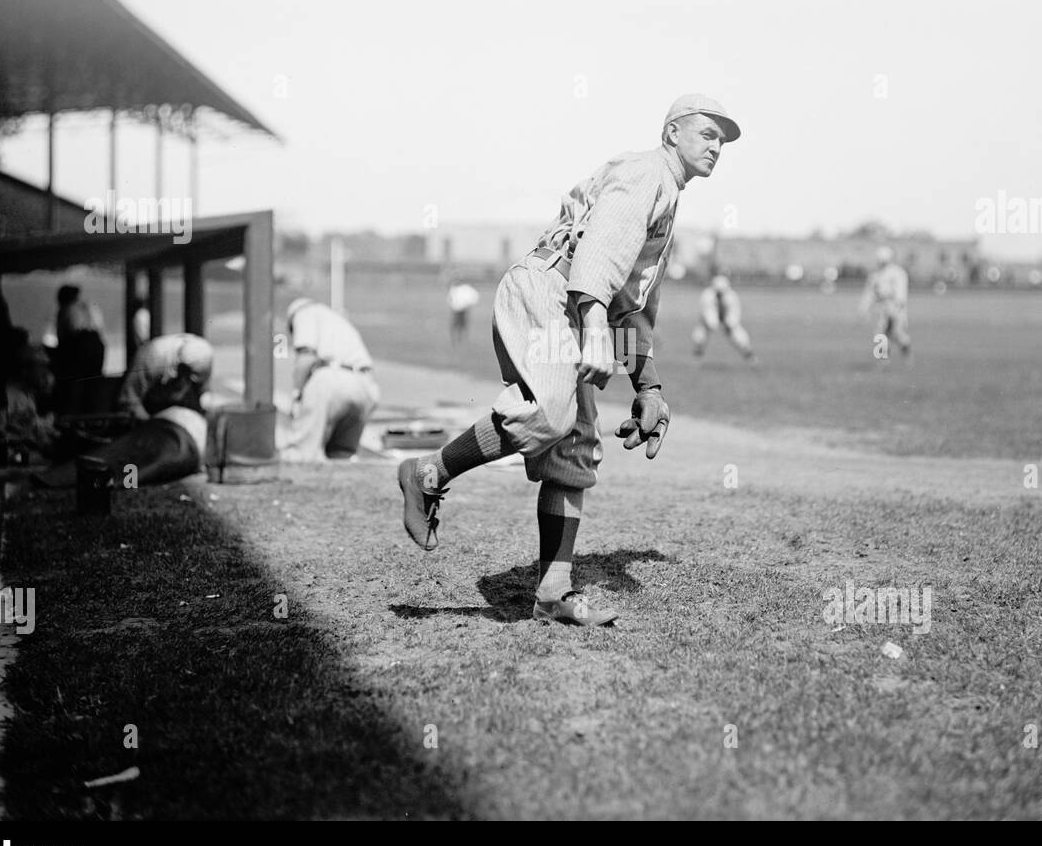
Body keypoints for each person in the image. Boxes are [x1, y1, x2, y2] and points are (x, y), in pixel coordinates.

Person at [397, 93, 741, 626]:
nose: (717, 146)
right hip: (550, 291)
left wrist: (649, 388)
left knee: (574, 448)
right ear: (672, 133)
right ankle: (426, 472)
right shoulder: (646, 173)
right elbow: (599, 255)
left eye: (723, 140)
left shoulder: (668, 197)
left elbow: (635, 306)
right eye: (707, 133)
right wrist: (597, 328)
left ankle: (553, 593)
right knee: (550, 413)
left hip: (576, 306)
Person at [279, 298, 380, 461]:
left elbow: (306, 357)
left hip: (331, 380)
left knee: (301, 453)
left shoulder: (303, 313)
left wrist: (297, 395)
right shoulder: (336, 319)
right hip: (367, 387)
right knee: (341, 454)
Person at [119, 332, 215, 421]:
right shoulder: (152, 357)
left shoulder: (204, 354)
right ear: (180, 366)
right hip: (149, 412)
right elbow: (129, 400)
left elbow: (204, 391)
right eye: (187, 375)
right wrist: (152, 425)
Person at [52, 284, 106, 414]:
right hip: (95, 345)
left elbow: (63, 336)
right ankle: (91, 416)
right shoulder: (89, 307)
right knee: (92, 385)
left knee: (73, 386)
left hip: (77, 346)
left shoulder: (66, 309)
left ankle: (75, 416)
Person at [691, 271, 756, 364]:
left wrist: (729, 323)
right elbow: (707, 314)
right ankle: (697, 359)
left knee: (739, 337)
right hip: (708, 321)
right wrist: (713, 322)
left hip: (726, 319)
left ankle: (751, 358)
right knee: (700, 335)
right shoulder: (707, 296)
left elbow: (734, 313)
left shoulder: (732, 297)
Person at [859, 245, 912, 360]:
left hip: (895, 307)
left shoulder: (897, 273)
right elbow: (870, 292)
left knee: (897, 334)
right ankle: (882, 362)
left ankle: (907, 355)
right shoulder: (875, 275)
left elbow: (901, 292)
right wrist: (864, 307)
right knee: (880, 335)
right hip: (882, 308)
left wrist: (898, 306)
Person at [446, 277, 480, 343]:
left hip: (463, 310)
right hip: (456, 310)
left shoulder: (465, 289)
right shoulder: (454, 289)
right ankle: (455, 339)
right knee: (455, 325)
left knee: (462, 325)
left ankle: (461, 339)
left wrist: (468, 304)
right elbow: (449, 299)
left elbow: (474, 298)